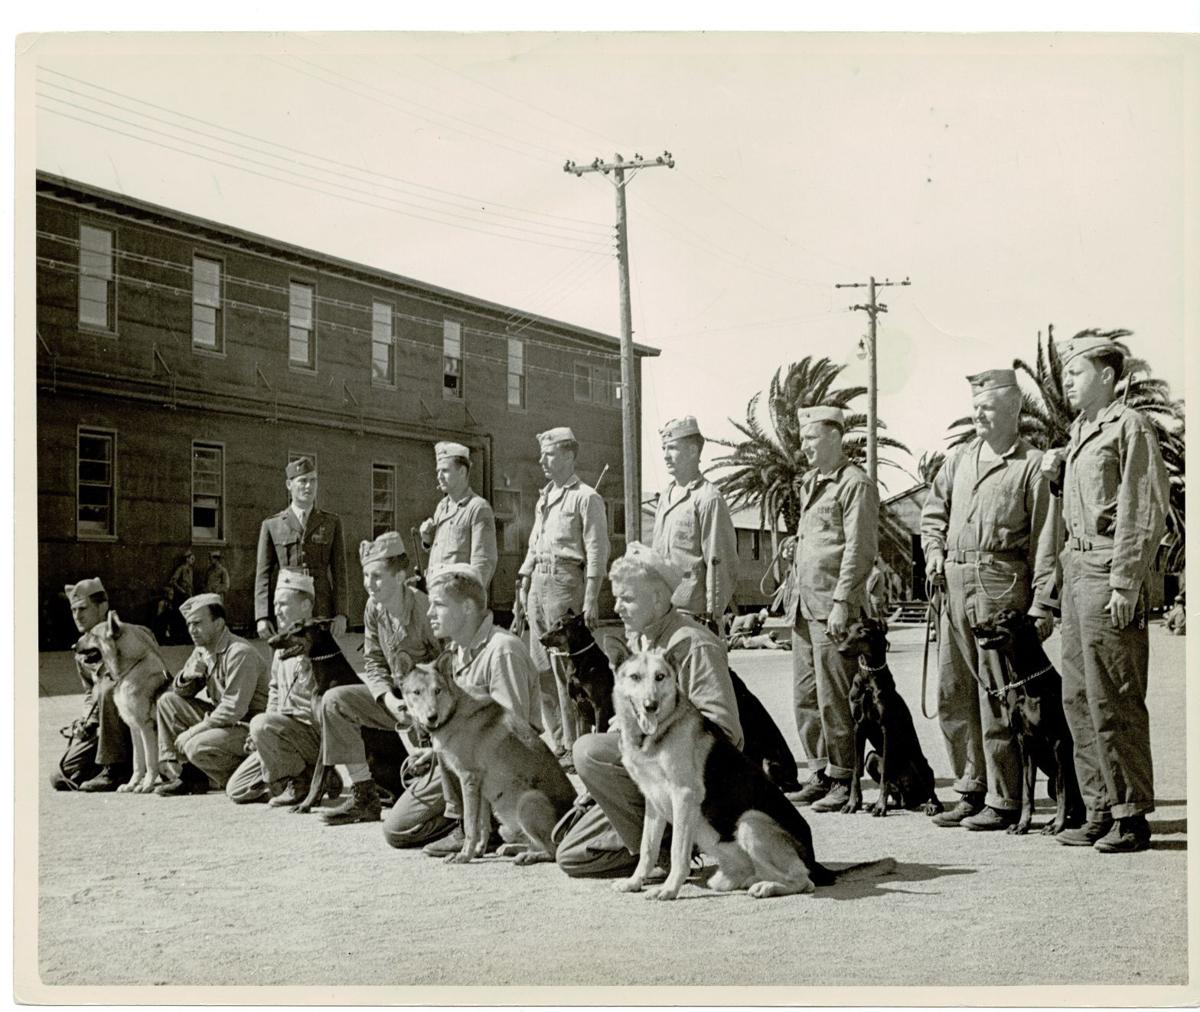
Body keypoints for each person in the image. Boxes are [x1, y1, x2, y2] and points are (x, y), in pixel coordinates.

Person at [1040, 332, 1167, 853]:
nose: (1067, 380)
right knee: (1077, 696)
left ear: (1108, 376)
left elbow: (1143, 507)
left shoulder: (1129, 425)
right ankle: (1098, 807)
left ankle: (1131, 815)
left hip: (1107, 568)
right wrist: (1054, 478)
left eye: (1076, 371)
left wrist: (1126, 580)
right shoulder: (1079, 432)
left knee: (1114, 694)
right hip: (1076, 568)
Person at [556, 542, 742, 879]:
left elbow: (726, 732)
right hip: (652, 780)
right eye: (616, 598)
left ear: (657, 599)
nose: (617, 606)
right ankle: (652, 844)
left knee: (588, 751)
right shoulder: (645, 642)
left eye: (627, 598)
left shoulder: (692, 643)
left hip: (695, 788)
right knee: (571, 856)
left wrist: (655, 728)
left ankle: (674, 846)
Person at [920, 369, 1056, 831]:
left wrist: (1043, 604)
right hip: (952, 584)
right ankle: (970, 786)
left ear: (1014, 410)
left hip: (1001, 583)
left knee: (998, 693)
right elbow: (932, 514)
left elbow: (1044, 539)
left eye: (989, 405)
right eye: (975, 405)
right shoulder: (958, 460)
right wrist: (934, 551)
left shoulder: (1033, 465)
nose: (978, 412)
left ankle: (1005, 796)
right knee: (953, 691)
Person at [384, 564, 541, 854]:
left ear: (467, 608)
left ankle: (471, 826)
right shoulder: (456, 652)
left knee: (401, 828)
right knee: (397, 828)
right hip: (464, 760)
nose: (430, 613)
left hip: (502, 774)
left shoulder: (502, 649)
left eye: (438, 605)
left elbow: (510, 733)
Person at [784, 406, 878, 812]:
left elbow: (859, 549)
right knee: (806, 696)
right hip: (804, 607)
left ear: (836, 436)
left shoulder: (854, 484)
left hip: (832, 607)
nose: (804, 445)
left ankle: (844, 776)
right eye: (802, 438)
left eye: (812, 437)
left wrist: (843, 602)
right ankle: (820, 772)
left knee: (835, 698)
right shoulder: (809, 483)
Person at [318, 532, 440, 826]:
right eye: (365, 576)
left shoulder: (425, 611)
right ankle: (364, 796)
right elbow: (372, 661)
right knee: (335, 702)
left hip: (431, 707)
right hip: (397, 702)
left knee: (417, 812)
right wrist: (388, 698)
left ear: (399, 577)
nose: (368, 584)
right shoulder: (374, 607)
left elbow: (450, 670)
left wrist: (417, 703)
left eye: (376, 576)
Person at [516, 427, 610, 756]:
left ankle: (576, 746)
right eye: (542, 454)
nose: (542, 460)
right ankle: (559, 742)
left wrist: (591, 599)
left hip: (565, 583)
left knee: (567, 673)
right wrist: (524, 578)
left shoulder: (586, 498)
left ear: (569, 456)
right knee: (541, 667)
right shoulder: (545, 497)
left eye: (550, 454)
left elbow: (598, 550)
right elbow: (534, 542)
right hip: (538, 584)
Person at [224, 569, 329, 805]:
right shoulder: (282, 644)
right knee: (237, 790)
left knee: (261, 724)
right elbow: (274, 690)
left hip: (312, 736)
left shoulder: (319, 642)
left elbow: (325, 700)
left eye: (283, 604)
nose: (276, 611)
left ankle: (302, 781)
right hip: (282, 735)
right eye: (275, 604)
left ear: (304, 605)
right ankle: (314, 778)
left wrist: (265, 727)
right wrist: (262, 735)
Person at [154, 593, 270, 796]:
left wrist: (192, 732)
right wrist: (187, 677)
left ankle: (251, 777)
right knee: (167, 702)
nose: (192, 630)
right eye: (189, 624)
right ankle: (192, 777)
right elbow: (180, 692)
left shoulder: (239, 652)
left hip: (250, 728)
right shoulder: (203, 650)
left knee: (195, 746)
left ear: (218, 624)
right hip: (228, 725)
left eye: (198, 623)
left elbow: (232, 709)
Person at [650, 415, 739, 631]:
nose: (665, 456)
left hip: (693, 613)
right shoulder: (666, 496)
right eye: (663, 448)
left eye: (672, 448)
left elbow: (720, 560)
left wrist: (713, 613)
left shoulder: (708, 498)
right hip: (662, 609)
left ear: (692, 451)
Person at [50, 578, 132, 792]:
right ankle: (117, 763)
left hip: (135, 719)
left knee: (107, 688)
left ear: (102, 607)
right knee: (61, 776)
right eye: (74, 610)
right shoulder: (82, 648)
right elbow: (89, 692)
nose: (77, 616)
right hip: (104, 726)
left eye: (83, 609)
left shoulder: (126, 635)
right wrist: (86, 720)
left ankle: (115, 769)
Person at [254, 456, 348, 640]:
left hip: (321, 608)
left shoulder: (331, 522)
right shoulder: (272, 525)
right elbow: (262, 574)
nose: (309, 486)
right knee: (289, 661)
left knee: (322, 663)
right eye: (303, 481)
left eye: (313, 481)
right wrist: (262, 616)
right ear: (289, 485)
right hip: (288, 607)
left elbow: (340, 572)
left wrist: (342, 613)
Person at [418, 441, 498, 591]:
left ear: (462, 472)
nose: (439, 476)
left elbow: (483, 564)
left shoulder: (478, 508)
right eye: (438, 471)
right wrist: (427, 540)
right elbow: (443, 551)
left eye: (445, 471)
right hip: (436, 595)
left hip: (458, 600)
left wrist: (469, 602)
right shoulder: (442, 507)